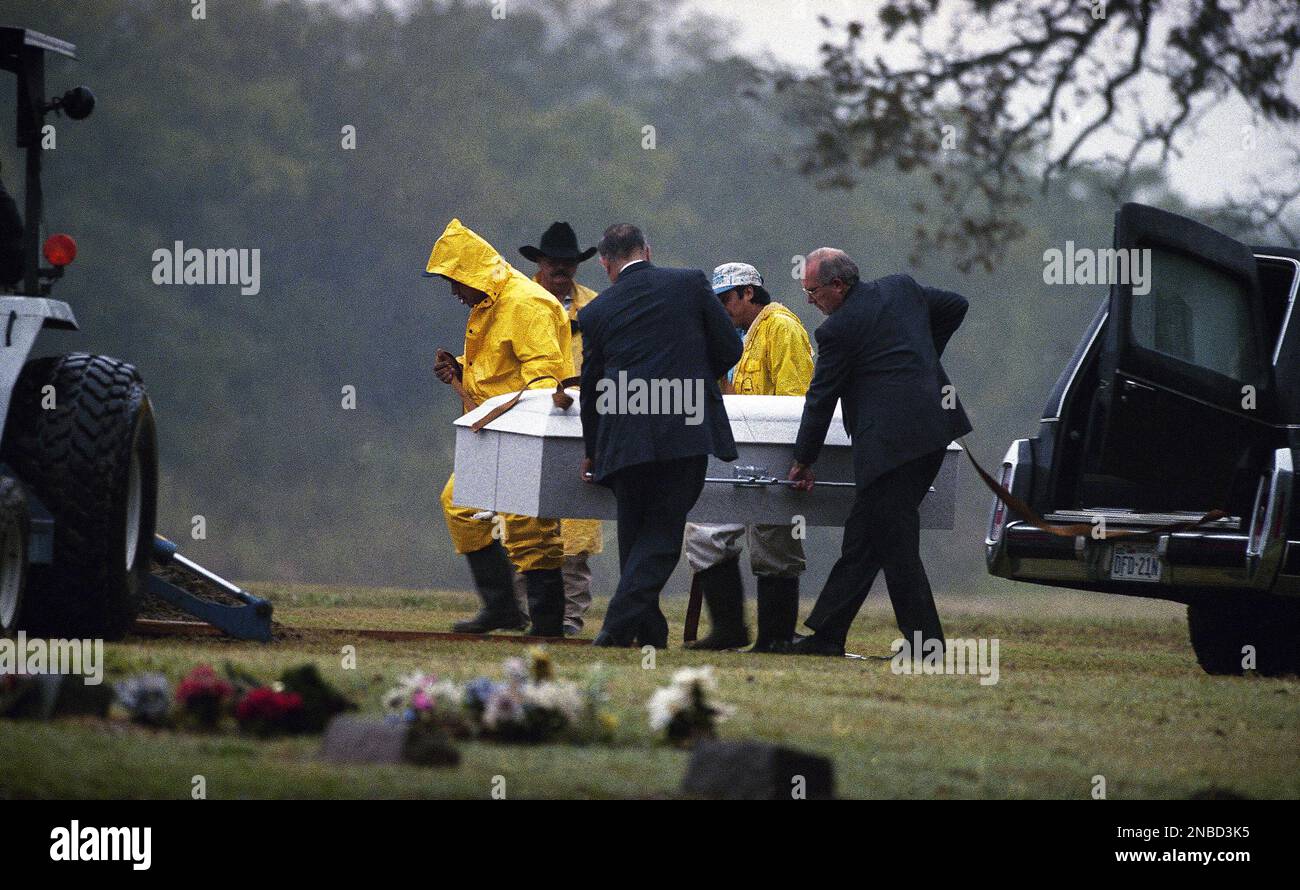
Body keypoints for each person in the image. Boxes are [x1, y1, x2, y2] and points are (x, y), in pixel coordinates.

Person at [786, 248, 971, 658]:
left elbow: (822, 397)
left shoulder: (838, 330)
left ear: (838, 285)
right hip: (935, 430)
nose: (810, 301)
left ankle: (926, 646)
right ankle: (827, 635)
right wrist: (921, 359)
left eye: (812, 291)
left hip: (892, 447)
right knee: (865, 536)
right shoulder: (901, 289)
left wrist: (803, 459)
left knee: (895, 542)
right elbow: (956, 305)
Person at [577, 224, 742, 648]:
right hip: (682, 428)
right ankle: (619, 625)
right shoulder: (688, 283)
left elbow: (593, 386)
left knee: (634, 531)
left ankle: (647, 633)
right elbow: (730, 347)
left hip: (624, 432)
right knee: (663, 531)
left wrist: (592, 451)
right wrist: (695, 374)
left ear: (604, 264)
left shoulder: (595, 312)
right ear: (647, 251)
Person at [426, 218, 571, 637]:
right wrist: (459, 367)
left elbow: (545, 381)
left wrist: (531, 435)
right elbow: (499, 369)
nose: (454, 292)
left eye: (455, 281)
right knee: (460, 505)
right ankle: (503, 608)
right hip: (492, 433)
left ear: (471, 273)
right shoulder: (489, 303)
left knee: (531, 527)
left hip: (525, 434)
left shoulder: (526, 304)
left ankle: (547, 625)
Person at [684, 262, 814, 652]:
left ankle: (776, 637)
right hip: (736, 454)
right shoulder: (734, 336)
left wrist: (798, 460)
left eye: (727, 299)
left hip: (775, 454)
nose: (721, 307)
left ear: (749, 293)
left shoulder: (782, 328)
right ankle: (730, 630)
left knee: (774, 544)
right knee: (705, 535)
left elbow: (797, 402)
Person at [517, 221, 605, 636]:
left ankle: (569, 617)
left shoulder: (595, 307)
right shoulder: (518, 300)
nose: (562, 270)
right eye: (554, 262)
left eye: (568, 263)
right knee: (524, 519)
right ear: (539, 262)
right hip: (528, 420)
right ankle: (528, 611)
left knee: (575, 524)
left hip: (580, 422)